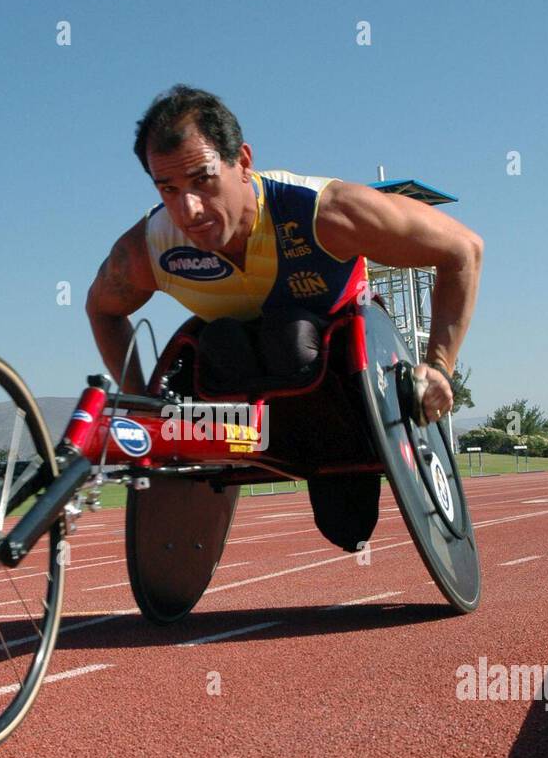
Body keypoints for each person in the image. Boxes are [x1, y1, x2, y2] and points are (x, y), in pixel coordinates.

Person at [86, 85, 483, 551]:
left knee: (345, 523)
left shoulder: (324, 212)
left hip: (340, 387)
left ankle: (335, 458)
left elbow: (462, 249)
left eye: (203, 180)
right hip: (238, 385)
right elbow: (102, 309)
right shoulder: (151, 248)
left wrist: (438, 366)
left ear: (243, 161)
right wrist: (139, 398)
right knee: (220, 343)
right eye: (168, 189)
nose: (188, 210)